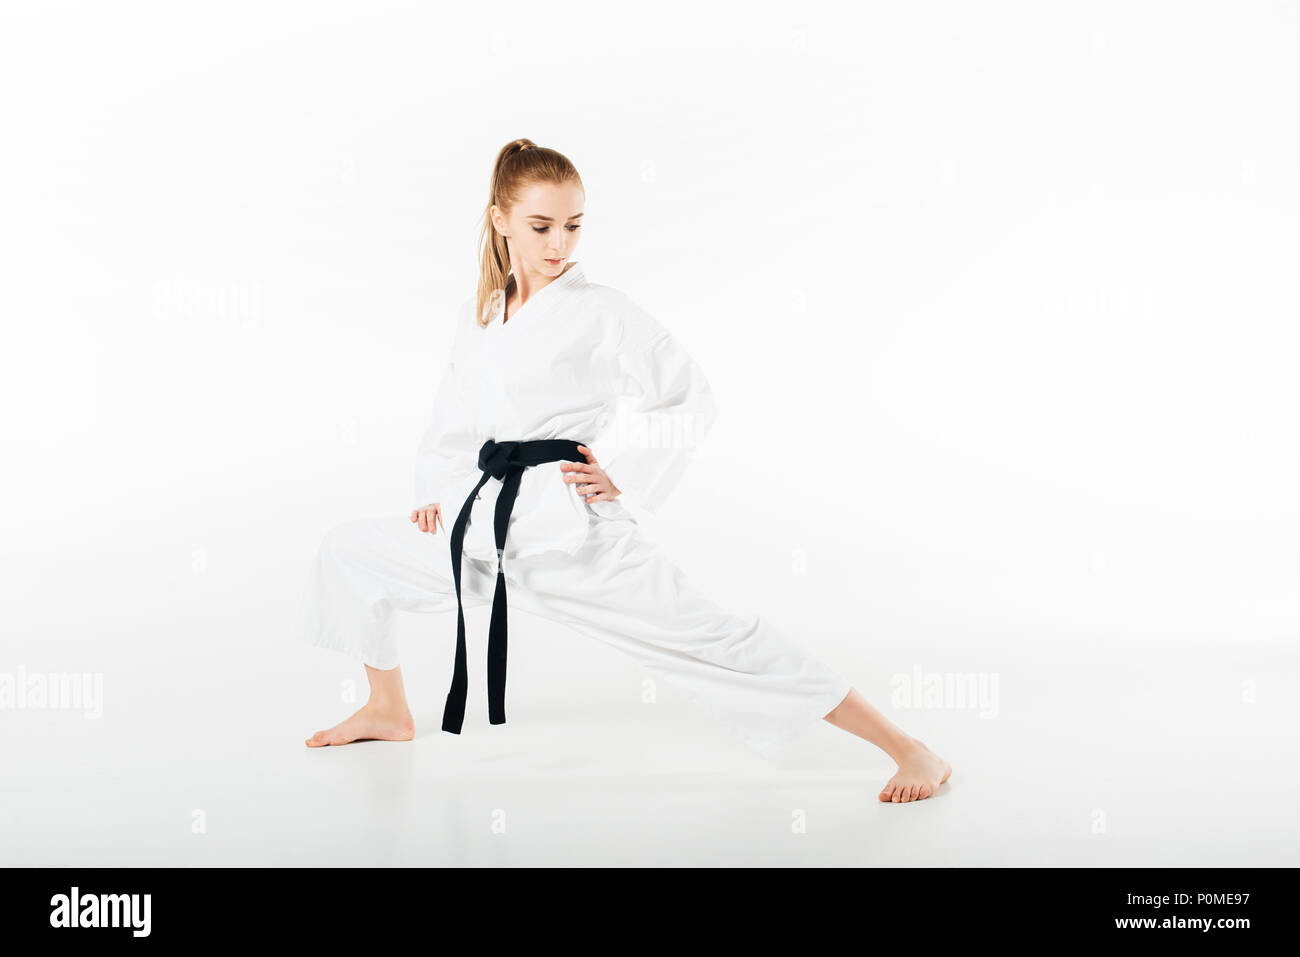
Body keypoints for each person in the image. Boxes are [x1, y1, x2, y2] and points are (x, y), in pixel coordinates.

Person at [298, 138, 951, 804]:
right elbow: (454, 416)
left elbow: (689, 393)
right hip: (484, 528)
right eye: (542, 226)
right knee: (349, 550)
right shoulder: (483, 313)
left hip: (572, 534)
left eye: (573, 226)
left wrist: (626, 477)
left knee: (717, 637)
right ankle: (387, 707)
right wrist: (437, 493)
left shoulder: (600, 311)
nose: (560, 244)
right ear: (500, 219)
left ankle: (908, 747)